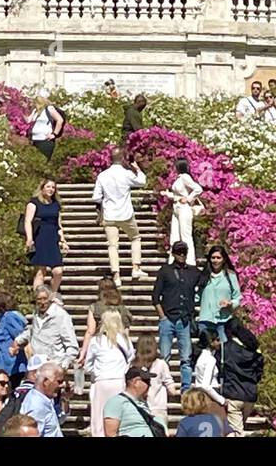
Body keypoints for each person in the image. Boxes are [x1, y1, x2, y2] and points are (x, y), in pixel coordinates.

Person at [92, 148, 148, 284]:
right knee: (135, 238)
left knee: (112, 245)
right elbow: (142, 182)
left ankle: (116, 276)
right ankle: (135, 267)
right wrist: (138, 169)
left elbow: (96, 197)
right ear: (122, 158)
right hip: (125, 213)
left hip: (110, 214)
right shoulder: (126, 174)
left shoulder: (103, 175)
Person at [152, 240, 202, 391]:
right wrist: (162, 317)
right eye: (179, 252)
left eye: (184, 252)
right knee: (165, 356)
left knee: (186, 357)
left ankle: (185, 387)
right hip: (168, 317)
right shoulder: (165, 271)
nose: (181, 255)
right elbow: (155, 296)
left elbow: (206, 282)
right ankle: (163, 385)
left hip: (184, 319)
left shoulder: (193, 272)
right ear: (173, 253)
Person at [84, 308, 134, 437]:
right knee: (118, 415)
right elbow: (130, 360)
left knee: (99, 418)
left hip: (102, 381)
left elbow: (88, 366)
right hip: (120, 381)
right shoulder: (126, 340)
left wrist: (96, 370)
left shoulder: (96, 341)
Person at [10, 285, 78, 369]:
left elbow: (72, 345)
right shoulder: (36, 314)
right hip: (36, 366)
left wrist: (63, 365)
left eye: (45, 298)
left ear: (50, 299)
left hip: (53, 366)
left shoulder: (61, 316)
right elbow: (33, 331)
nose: (42, 302)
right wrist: (18, 340)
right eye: (39, 299)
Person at [78, 276, 133, 366]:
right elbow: (126, 332)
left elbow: (90, 331)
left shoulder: (95, 307)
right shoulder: (123, 309)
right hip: (119, 344)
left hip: (101, 343)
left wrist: (83, 353)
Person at [24, 178, 67, 293]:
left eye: (53, 187)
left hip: (53, 238)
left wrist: (63, 239)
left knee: (58, 271)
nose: (51, 189)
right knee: (40, 271)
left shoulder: (56, 204)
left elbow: (58, 224)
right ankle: (39, 298)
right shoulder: (34, 203)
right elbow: (28, 221)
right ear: (42, 188)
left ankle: (52, 294)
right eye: (48, 187)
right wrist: (29, 239)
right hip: (40, 237)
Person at [220, 321, 263, 436]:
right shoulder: (254, 351)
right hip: (250, 395)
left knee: (236, 432)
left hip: (233, 393)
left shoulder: (226, 349)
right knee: (239, 427)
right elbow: (259, 373)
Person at [103, 366, 165, 438]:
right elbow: (110, 434)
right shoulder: (116, 402)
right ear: (135, 382)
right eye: (147, 381)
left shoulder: (143, 404)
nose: (150, 385)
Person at [162, 158, 204, 264]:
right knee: (175, 235)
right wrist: (167, 194)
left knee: (186, 235)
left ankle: (190, 261)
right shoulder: (179, 178)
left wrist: (189, 199)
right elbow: (178, 195)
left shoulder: (185, 177)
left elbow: (198, 189)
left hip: (184, 208)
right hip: (176, 207)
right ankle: (172, 260)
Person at [198, 243, 241, 342]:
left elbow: (237, 297)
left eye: (218, 258)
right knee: (206, 350)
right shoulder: (204, 276)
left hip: (223, 320)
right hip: (206, 320)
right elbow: (197, 296)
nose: (215, 260)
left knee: (223, 350)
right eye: (213, 258)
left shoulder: (230, 276)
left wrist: (230, 304)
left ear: (224, 259)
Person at [134, 330, 175, 427]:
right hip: (158, 407)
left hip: (138, 408)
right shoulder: (161, 363)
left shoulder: (133, 364)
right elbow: (170, 386)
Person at [20, 361, 65, 438]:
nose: (63, 385)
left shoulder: (44, 400)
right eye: (59, 382)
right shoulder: (37, 405)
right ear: (45, 381)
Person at [0, 293, 28, 380]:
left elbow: (20, 335)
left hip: (11, 365)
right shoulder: (3, 318)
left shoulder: (9, 317)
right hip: (5, 363)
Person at [26, 94, 65, 161]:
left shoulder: (49, 109)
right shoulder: (35, 111)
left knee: (42, 162)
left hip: (45, 141)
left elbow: (60, 120)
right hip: (35, 141)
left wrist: (54, 134)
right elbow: (28, 120)